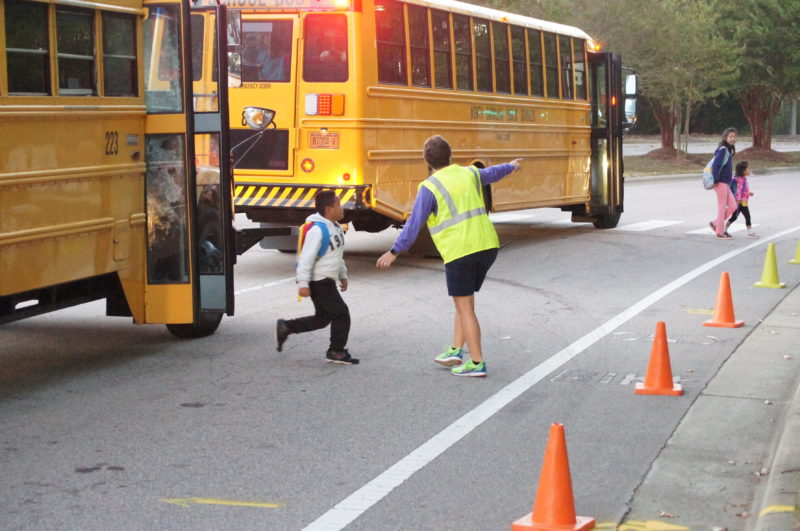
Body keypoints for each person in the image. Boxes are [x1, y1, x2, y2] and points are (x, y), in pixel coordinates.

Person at [376, 135, 522, 377]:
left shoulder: (430, 187)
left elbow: (414, 224)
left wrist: (394, 251)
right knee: (463, 301)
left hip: (461, 250)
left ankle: (476, 362)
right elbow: (493, 173)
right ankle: (456, 350)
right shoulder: (469, 173)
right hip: (487, 245)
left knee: (464, 306)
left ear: (427, 161)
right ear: (450, 155)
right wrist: (512, 165)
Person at [276, 191, 357, 364]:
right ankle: (336, 351)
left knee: (322, 319)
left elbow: (337, 255)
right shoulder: (317, 230)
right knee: (341, 314)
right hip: (319, 281)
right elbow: (306, 258)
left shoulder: (335, 227)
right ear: (329, 209)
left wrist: (342, 276)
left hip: (327, 280)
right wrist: (303, 284)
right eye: (339, 204)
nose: (342, 208)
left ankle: (287, 327)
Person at [708, 127, 738, 239]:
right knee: (722, 207)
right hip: (720, 182)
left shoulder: (728, 149)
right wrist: (715, 180)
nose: (733, 139)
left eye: (734, 137)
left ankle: (716, 223)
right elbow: (715, 166)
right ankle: (719, 232)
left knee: (733, 206)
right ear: (725, 137)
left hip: (725, 182)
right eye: (730, 137)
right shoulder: (723, 150)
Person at [725, 160, 758, 238]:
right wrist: (737, 201)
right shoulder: (738, 180)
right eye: (748, 169)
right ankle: (724, 230)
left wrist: (748, 193)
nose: (749, 170)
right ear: (743, 171)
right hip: (739, 202)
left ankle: (750, 232)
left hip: (743, 201)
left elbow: (742, 190)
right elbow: (737, 191)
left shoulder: (743, 179)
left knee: (744, 216)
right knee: (736, 217)